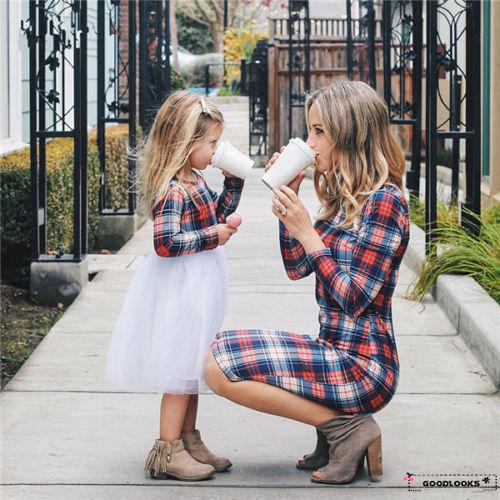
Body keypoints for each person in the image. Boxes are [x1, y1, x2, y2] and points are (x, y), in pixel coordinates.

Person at [205, 81, 410, 485]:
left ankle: (347, 429)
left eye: (319, 131)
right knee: (213, 351)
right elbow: (297, 268)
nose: (309, 141)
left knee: (218, 369)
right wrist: (291, 209)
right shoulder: (341, 195)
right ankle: (335, 428)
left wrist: (308, 233)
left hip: (365, 367)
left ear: (349, 134)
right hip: (332, 350)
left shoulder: (385, 202)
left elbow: (354, 299)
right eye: (310, 130)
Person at [105, 91, 245, 481]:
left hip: (199, 283)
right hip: (182, 286)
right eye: (212, 143)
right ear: (185, 144)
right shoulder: (173, 190)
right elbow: (165, 244)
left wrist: (232, 185)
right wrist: (212, 237)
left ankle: (189, 440)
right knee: (178, 369)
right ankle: (167, 450)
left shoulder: (196, 179)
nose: (217, 150)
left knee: (193, 365)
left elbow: (217, 213)